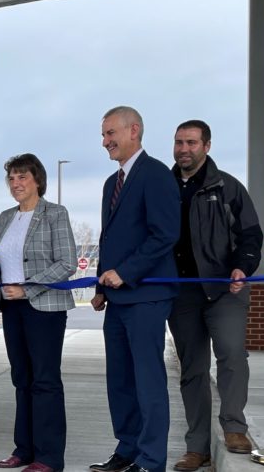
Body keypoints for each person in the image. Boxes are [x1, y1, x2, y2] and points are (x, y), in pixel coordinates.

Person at [89, 107, 180, 472]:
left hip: (147, 296)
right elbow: (108, 239)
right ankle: (127, 449)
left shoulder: (155, 175)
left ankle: (151, 459)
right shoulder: (113, 183)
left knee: (148, 382)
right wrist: (100, 283)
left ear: (134, 130)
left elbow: (165, 234)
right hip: (116, 298)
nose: (105, 141)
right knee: (120, 381)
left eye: (111, 133)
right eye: (103, 135)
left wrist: (124, 273)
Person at [168, 120, 262, 471]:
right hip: (183, 294)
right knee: (192, 369)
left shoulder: (228, 187)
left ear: (206, 146)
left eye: (191, 142)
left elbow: (251, 235)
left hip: (225, 289)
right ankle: (197, 447)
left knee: (232, 356)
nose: (183, 149)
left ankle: (235, 428)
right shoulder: (165, 187)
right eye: (178, 142)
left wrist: (242, 267)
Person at [0, 153, 77, 472]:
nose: (15, 183)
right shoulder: (6, 216)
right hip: (12, 310)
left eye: (22, 176)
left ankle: (49, 457)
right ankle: (23, 449)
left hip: (45, 309)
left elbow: (66, 263)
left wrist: (28, 288)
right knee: (21, 379)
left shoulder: (55, 213)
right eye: (11, 177)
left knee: (45, 381)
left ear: (37, 180)